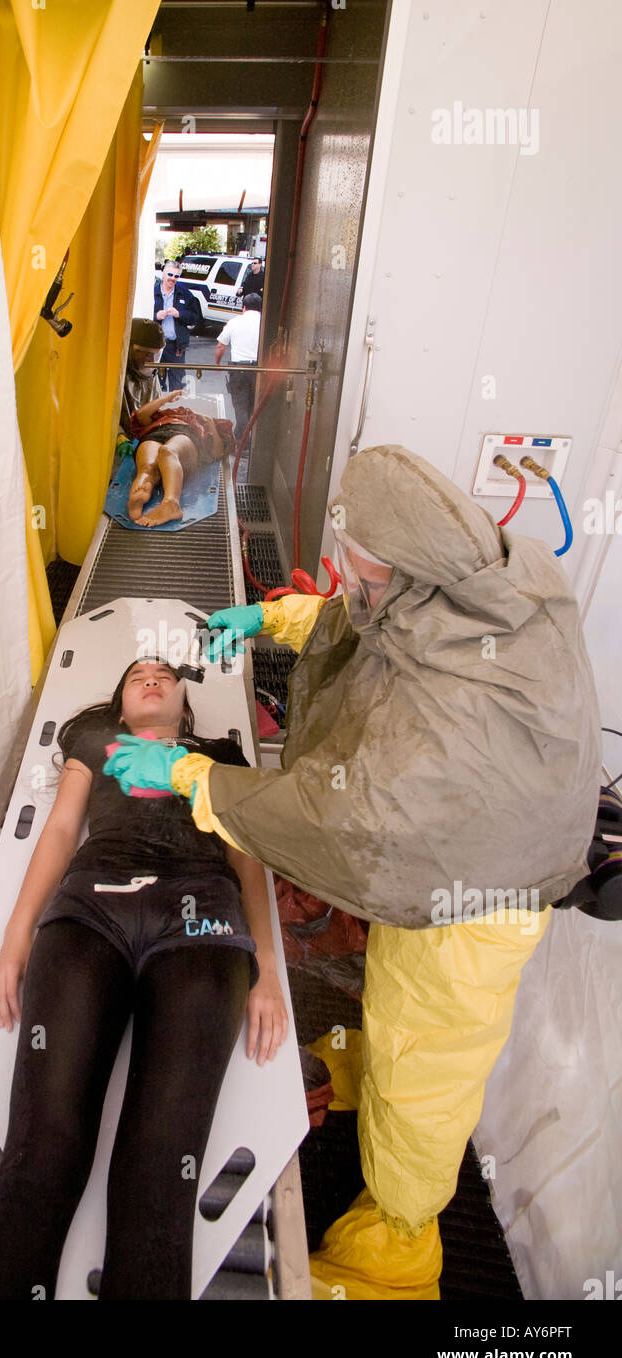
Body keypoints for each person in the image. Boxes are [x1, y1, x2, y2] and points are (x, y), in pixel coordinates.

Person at [103, 445, 602, 1300]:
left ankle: (400, 1254)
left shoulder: (456, 716)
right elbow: (365, 621)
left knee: (427, 1060)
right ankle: (367, 1069)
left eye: (361, 572)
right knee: (394, 1013)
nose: (352, 585)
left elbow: (344, 822)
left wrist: (192, 777)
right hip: (458, 858)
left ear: (408, 568)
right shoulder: (465, 578)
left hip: (478, 900)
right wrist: (279, 620)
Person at [0, 658, 288, 1301]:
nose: (153, 678)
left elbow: (249, 863)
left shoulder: (218, 754)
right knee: (42, 1153)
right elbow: (57, 831)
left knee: (162, 1170)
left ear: (185, 703)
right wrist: (15, 941)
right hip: (91, 911)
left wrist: (267, 970)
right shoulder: (95, 741)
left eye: (164, 673)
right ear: (120, 701)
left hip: (202, 923)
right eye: (138, 676)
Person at [125, 395, 233, 528]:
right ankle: (139, 494)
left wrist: (210, 423)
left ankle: (171, 502)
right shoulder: (161, 415)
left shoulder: (199, 421)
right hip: (154, 433)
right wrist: (167, 398)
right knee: (148, 467)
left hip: (184, 434)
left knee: (168, 452)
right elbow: (141, 414)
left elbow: (217, 452)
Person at [214, 292, 262, 452]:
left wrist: (218, 364)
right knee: (252, 405)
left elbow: (221, 346)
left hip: (238, 370)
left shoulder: (234, 322)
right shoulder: (264, 322)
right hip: (259, 369)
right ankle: (243, 439)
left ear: (244, 307)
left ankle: (241, 442)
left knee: (240, 406)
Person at [153, 261, 200, 390]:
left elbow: (195, 317)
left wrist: (180, 314)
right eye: (170, 274)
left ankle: (175, 409)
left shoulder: (185, 294)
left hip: (176, 347)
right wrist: (156, 316)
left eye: (176, 276)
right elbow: (139, 315)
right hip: (154, 346)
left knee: (177, 385)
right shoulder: (151, 292)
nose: (172, 278)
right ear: (163, 274)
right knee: (155, 383)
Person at [119, 317, 166, 437]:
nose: (152, 361)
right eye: (148, 355)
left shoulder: (150, 374)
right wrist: (120, 436)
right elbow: (106, 414)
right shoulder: (118, 376)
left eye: (156, 355)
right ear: (131, 350)